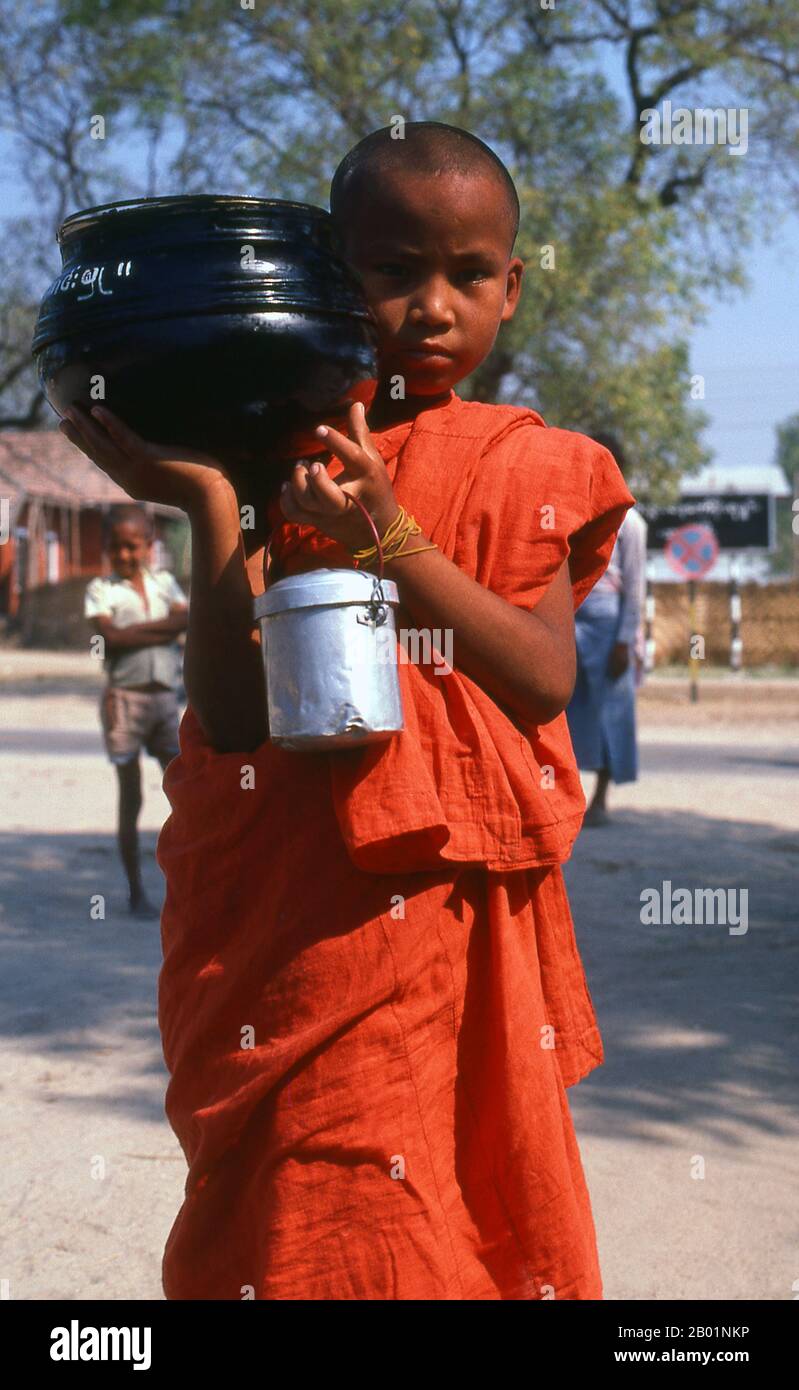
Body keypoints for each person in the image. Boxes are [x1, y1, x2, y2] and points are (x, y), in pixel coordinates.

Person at [61, 121, 635, 1300]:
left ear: (512, 287)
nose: (431, 306)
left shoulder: (531, 465)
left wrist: (392, 541)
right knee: (301, 1207)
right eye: (391, 272)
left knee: (437, 1217)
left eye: (468, 274)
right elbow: (230, 724)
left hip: (440, 943)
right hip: (291, 939)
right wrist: (214, 501)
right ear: (329, 275)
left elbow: (537, 676)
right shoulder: (277, 461)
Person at [84, 505, 188, 917]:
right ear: (107, 549)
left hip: (163, 700)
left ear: (148, 546)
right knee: (130, 799)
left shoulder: (164, 583)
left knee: (186, 790)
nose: (124, 555)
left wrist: (129, 635)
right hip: (123, 700)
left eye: (132, 547)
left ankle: (191, 883)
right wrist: (160, 629)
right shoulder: (100, 589)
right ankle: (135, 891)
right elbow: (108, 636)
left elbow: (185, 619)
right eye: (116, 548)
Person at [566, 433, 648, 825]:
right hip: (570, 615)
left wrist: (624, 641)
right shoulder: (570, 512)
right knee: (563, 708)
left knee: (609, 712)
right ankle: (567, 798)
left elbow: (635, 587)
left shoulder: (631, 523)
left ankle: (600, 799)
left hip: (608, 622)